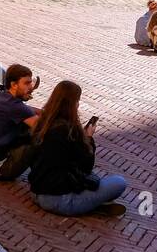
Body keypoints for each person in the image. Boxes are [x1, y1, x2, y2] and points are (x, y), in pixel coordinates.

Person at [28, 80, 126, 218]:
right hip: (59, 199)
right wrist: (89, 139)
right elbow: (86, 165)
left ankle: (94, 203)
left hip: (36, 191)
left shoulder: (42, 122)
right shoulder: (69, 130)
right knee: (119, 182)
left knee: (92, 179)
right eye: (77, 101)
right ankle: (93, 204)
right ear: (72, 104)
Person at [0, 64, 41, 179]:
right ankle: (46, 182)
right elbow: (46, 127)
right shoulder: (15, 107)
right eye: (26, 83)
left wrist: (46, 111)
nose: (30, 87)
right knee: (43, 138)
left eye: (30, 83)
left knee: (29, 131)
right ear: (14, 85)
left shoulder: (5, 97)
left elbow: (29, 110)